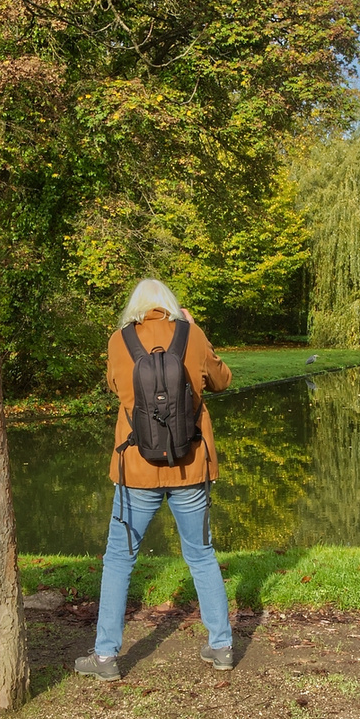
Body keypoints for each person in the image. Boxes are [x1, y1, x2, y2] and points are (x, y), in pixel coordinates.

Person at [77, 279, 235, 682]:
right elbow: (222, 380)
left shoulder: (119, 340)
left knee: (118, 560)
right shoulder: (192, 334)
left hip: (137, 471)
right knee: (201, 555)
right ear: (171, 306)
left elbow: (116, 387)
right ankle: (221, 646)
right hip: (190, 465)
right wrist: (195, 331)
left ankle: (106, 655)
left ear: (135, 308)